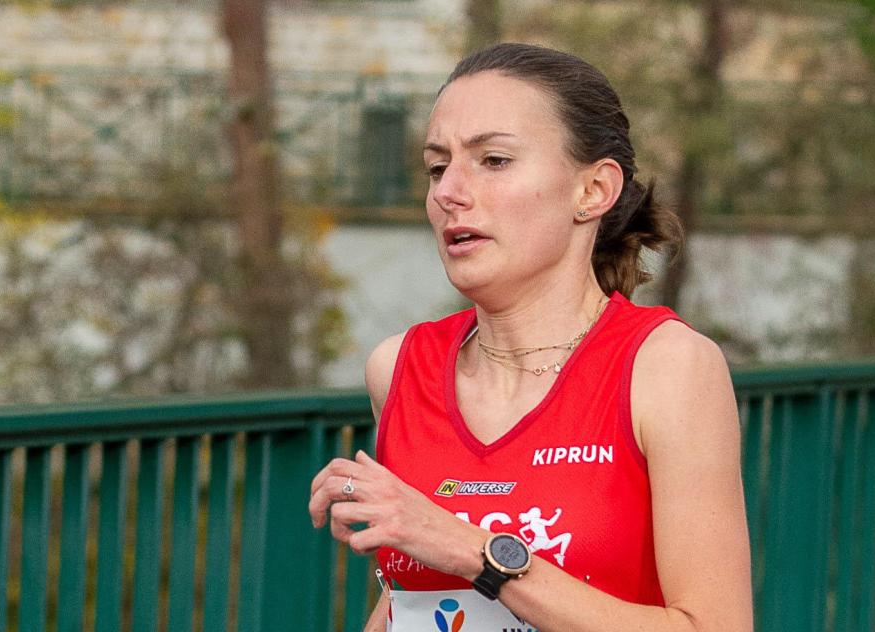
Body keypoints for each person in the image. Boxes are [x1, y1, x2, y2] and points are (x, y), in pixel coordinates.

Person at [309, 42, 753, 631]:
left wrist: (475, 552)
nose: (448, 192)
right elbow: (411, 607)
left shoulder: (666, 367)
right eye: (438, 167)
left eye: (492, 160)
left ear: (592, 191)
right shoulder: (399, 367)